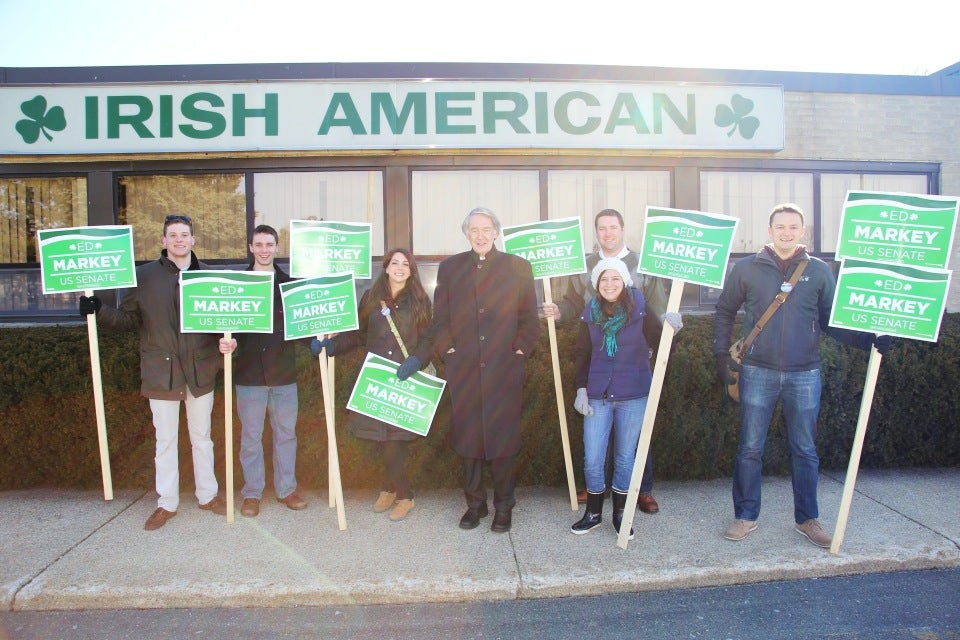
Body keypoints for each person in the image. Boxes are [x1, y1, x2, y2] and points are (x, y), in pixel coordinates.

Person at [713, 203, 892, 549]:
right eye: (780, 226)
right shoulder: (747, 268)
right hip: (757, 371)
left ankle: (807, 519)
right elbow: (724, 311)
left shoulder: (819, 271)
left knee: (805, 450)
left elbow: (832, 321)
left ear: (803, 231)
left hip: (805, 374)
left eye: (793, 227)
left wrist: (869, 339)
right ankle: (745, 515)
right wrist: (721, 355)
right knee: (750, 448)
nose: (786, 232)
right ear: (769, 231)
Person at [79, 214, 228, 531]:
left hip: (200, 371)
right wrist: (98, 310)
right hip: (162, 372)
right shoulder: (144, 276)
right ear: (164, 241)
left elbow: (223, 323)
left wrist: (229, 343)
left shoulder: (209, 276)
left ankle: (208, 496)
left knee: (202, 438)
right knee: (165, 441)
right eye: (173, 235)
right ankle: (166, 503)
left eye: (184, 234)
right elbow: (128, 319)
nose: (179, 240)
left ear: (193, 240)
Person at [543, 208, 681, 514]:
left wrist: (666, 329)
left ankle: (641, 489)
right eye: (602, 228)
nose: (608, 233)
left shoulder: (643, 264)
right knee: (598, 428)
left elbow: (656, 307)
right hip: (598, 356)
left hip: (633, 357)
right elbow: (573, 302)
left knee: (633, 431)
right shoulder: (585, 265)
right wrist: (560, 311)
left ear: (622, 229)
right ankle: (597, 488)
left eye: (613, 227)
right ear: (596, 233)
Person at [431, 207, 541, 533]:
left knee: (503, 441)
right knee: (469, 441)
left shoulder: (518, 267)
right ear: (466, 234)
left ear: (496, 232)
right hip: (464, 370)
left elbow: (529, 318)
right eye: (474, 230)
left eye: (486, 229)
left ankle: (504, 506)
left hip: (504, 369)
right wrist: (448, 350)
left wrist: (519, 351)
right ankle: (474, 505)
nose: (480, 235)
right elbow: (440, 318)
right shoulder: (450, 268)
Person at [310, 248, 434, 522]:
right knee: (381, 439)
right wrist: (331, 346)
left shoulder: (420, 300)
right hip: (377, 380)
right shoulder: (371, 297)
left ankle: (405, 496)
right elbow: (358, 335)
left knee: (395, 440)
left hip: (404, 379)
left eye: (405, 264)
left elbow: (429, 340)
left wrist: (416, 360)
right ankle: (389, 488)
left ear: (411, 270)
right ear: (386, 267)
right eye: (394, 263)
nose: (399, 268)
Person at [220, 225, 307, 518]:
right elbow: (226, 323)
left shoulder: (289, 286)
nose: (264, 250)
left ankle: (287, 490)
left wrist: (322, 334)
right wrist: (228, 341)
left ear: (277, 247)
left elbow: (302, 325)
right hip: (249, 376)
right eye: (258, 244)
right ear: (250, 248)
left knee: (286, 435)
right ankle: (252, 493)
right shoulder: (238, 285)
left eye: (269, 244)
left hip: (283, 375)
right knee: (250, 438)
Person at [570, 258, 653, 540]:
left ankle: (620, 514)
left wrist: (673, 327)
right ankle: (593, 513)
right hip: (598, 395)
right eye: (604, 279)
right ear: (597, 284)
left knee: (625, 457)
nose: (609, 284)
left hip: (633, 394)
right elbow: (582, 354)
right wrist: (581, 388)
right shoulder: (590, 313)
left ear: (624, 282)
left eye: (615, 278)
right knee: (593, 457)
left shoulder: (640, 309)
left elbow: (663, 342)